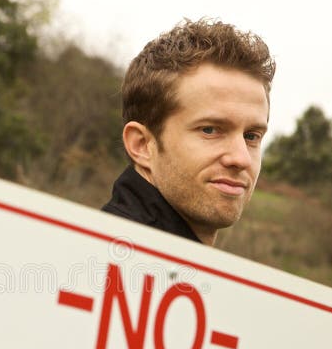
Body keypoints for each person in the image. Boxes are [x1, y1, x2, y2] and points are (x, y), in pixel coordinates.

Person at [102, 19, 276, 246]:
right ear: (142, 145)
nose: (241, 159)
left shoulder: (185, 273)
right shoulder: (93, 260)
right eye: (210, 130)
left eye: (251, 136)